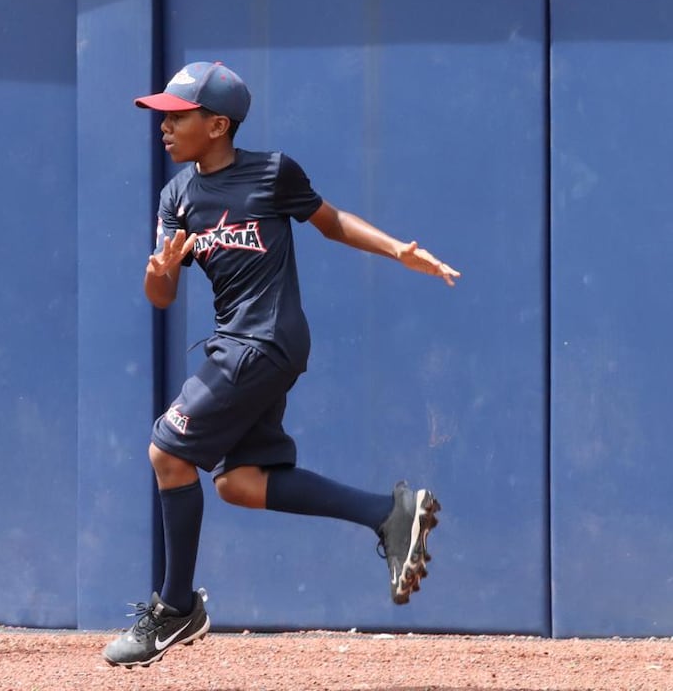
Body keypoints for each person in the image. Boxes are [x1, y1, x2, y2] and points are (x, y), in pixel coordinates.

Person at [103, 61, 457, 668]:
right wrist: (155, 275)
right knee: (239, 483)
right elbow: (161, 296)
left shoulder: (271, 172)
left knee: (168, 452)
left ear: (217, 125)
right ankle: (388, 514)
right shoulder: (177, 195)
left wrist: (398, 249)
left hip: (265, 339)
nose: (163, 125)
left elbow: (331, 221)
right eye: (162, 114)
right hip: (235, 343)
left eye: (176, 115)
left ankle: (176, 607)